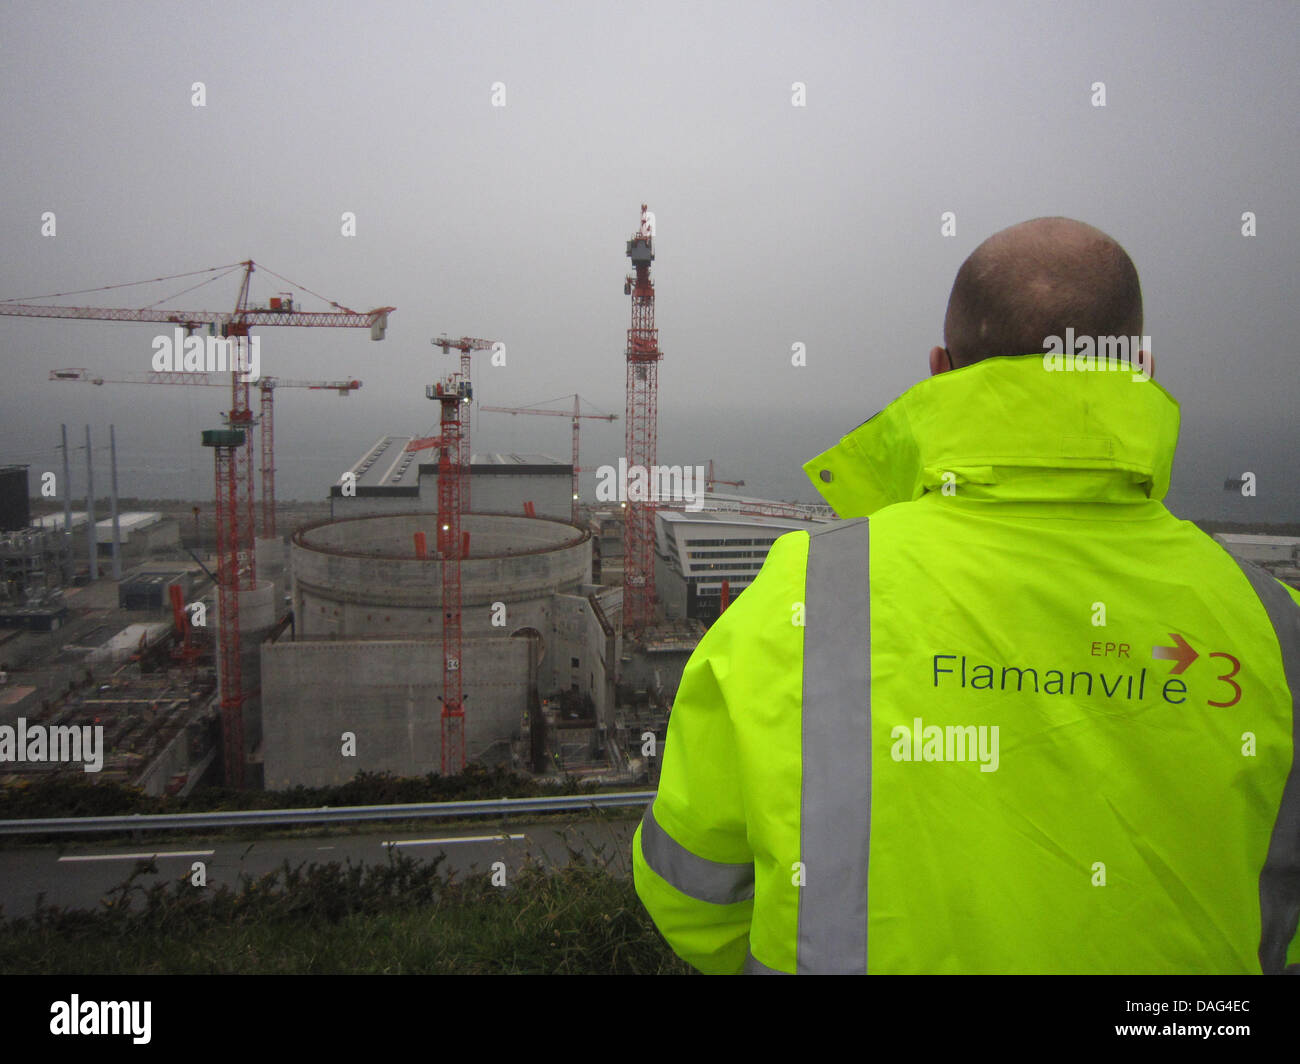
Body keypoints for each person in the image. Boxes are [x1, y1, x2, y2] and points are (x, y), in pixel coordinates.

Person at [631, 217, 1300, 975]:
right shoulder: (1274, 628)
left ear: (940, 369)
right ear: (1139, 368)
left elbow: (689, 891)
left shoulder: (806, 592)